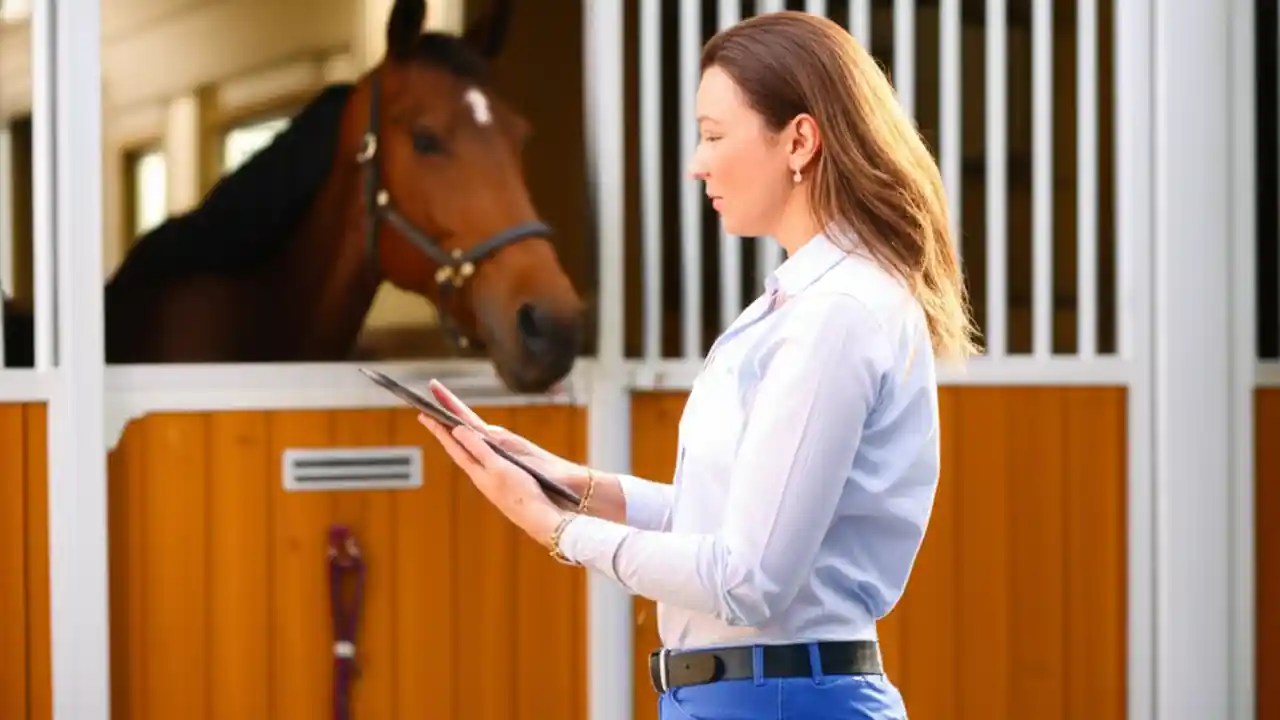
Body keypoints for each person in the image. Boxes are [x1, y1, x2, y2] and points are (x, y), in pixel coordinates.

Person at [418, 10, 977, 719]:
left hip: (779, 701)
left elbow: (748, 580)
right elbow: (736, 523)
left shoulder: (836, 315)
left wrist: (556, 529)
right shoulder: (791, 304)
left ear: (799, 140)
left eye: (714, 134)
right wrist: (579, 485)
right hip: (741, 696)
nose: (696, 161)